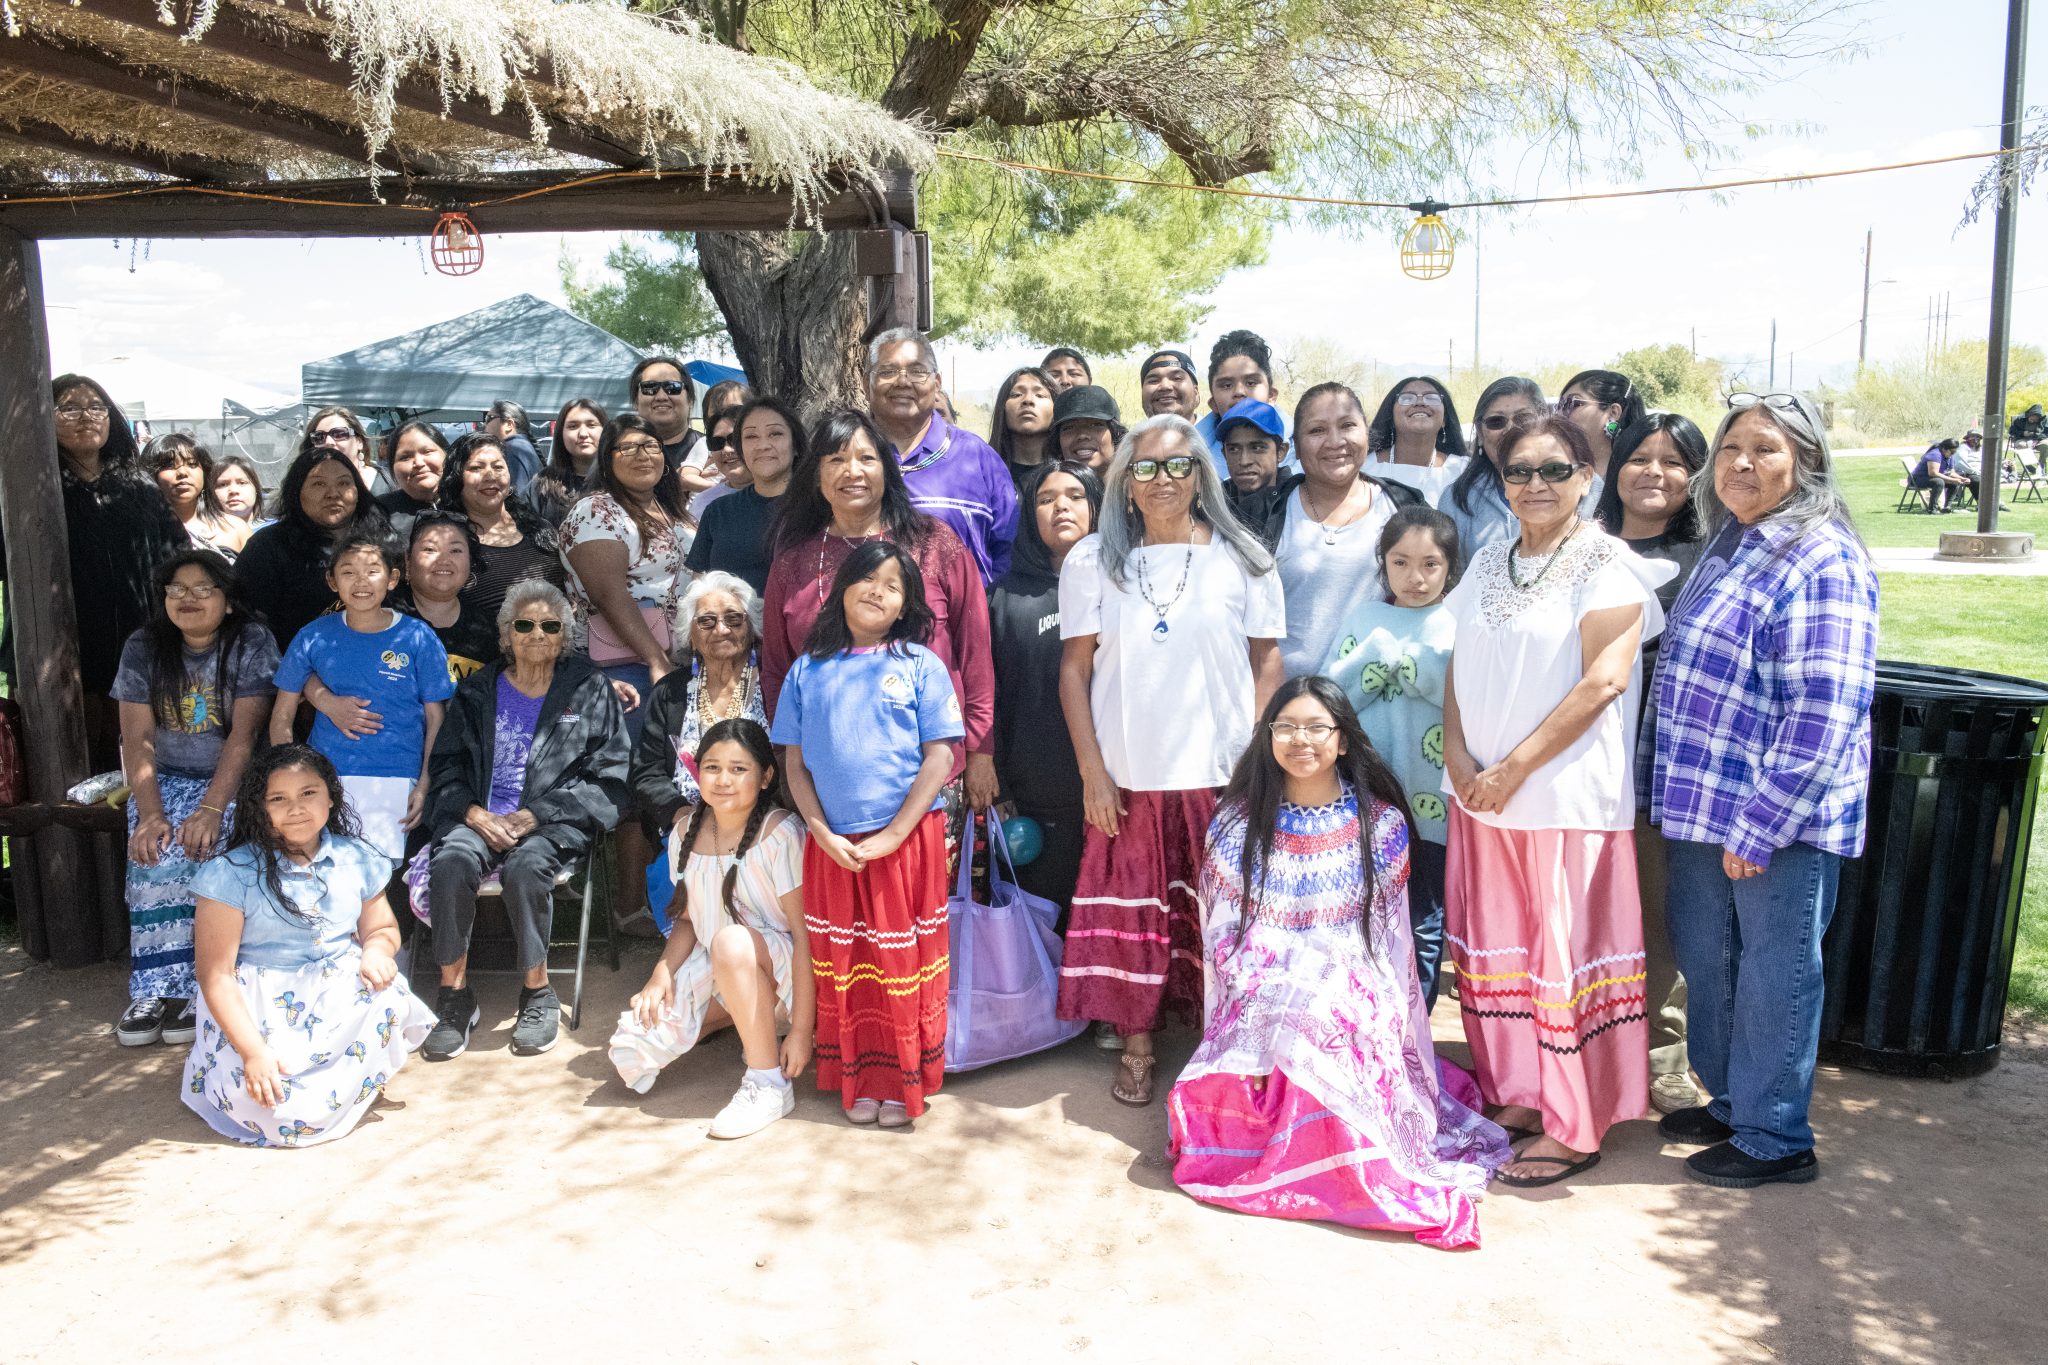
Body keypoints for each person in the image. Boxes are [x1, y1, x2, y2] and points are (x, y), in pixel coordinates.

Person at [1166, 678, 1512, 1247]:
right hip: (1260, 971)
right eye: (1287, 727)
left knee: (1320, 1010)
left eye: (1316, 728)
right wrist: (1271, 971)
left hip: (1352, 972)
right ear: (1268, 736)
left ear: (1344, 740)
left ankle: (1347, 1171)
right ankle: (1295, 1157)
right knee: (1285, 1007)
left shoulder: (1382, 825)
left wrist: (1319, 975)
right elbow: (1224, 927)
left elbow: (1382, 934)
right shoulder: (1234, 824)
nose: (1301, 740)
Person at [1646, 391, 1878, 1189]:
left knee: (1777, 966)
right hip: (1704, 806)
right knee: (1711, 960)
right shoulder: (1731, 543)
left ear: (1805, 462)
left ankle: (1777, 1134)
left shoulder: (1824, 554)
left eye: (1766, 449)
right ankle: (1733, 1099)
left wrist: (1765, 821)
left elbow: (1827, 705)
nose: (1743, 463)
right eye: (1732, 447)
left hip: (1777, 817)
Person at [1440, 413, 1669, 1189]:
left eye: (1553, 469)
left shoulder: (1609, 563)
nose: (1534, 484)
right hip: (1481, 795)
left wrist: (1512, 768)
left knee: (1560, 961)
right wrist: (1464, 758)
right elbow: (1457, 664)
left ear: (1585, 476)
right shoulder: (1488, 560)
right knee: (1499, 953)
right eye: (1518, 471)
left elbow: (1602, 681)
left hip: (1564, 796)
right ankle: (1523, 1095)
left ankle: (1577, 1121)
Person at [1055, 415, 1285, 1105]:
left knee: (1225, 913)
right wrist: (1094, 770)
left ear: (1201, 476)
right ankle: (1137, 1045)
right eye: (1145, 468)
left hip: (1220, 770)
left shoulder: (1246, 556)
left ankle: (1225, 1044)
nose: (1162, 480)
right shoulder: (1092, 560)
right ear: (1124, 482)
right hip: (1127, 773)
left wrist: (1256, 762)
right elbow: (1074, 671)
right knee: (1135, 917)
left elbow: (1267, 662)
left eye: (1177, 466)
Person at [772, 541, 963, 1127]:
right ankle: (858, 1083)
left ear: (906, 604)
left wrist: (896, 833)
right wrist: (819, 830)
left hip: (906, 842)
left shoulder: (919, 664)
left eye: (894, 585)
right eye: (867, 578)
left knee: (897, 964)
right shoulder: (809, 667)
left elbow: (940, 757)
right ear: (841, 587)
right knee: (847, 963)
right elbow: (794, 764)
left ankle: (901, 1086)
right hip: (833, 846)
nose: (878, 591)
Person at [761, 409, 996, 846]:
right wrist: (791, 766)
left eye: (867, 459)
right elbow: (776, 668)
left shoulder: (934, 543)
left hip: (933, 775)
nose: (853, 471)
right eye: (835, 460)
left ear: (887, 471)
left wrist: (982, 750)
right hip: (831, 784)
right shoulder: (792, 560)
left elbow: (975, 651)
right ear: (815, 476)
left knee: (923, 907)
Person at [182, 744, 435, 1148]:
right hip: (255, 1011)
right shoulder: (227, 875)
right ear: (258, 808)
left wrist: (376, 950)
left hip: (333, 998)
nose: (295, 808)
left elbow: (382, 927)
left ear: (331, 798)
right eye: (277, 799)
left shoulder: (358, 858)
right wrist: (253, 1054)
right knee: (272, 1112)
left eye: (308, 793)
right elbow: (215, 977)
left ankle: (354, 1082)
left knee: (389, 996)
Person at [422, 580, 630, 1060]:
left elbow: (610, 779)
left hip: (551, 822)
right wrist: (473, 813)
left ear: (565, 636)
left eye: (550, 626)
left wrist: (536, 814)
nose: (537, 634)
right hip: (479, 816)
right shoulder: (476, 690)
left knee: (525, 866)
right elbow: (447, 766)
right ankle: (455, 998)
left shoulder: (588, 689)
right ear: (506, 635)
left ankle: (538, 992)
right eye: (525, 625)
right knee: (451, 860)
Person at [610, 718, 814, 1139]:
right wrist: (660, 974)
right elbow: (687, 918)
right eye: (712, 767)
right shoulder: (684, 832)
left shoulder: (782, 834)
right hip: (723, 966)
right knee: (635, 1042)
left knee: (730, 941)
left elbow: (805, 937)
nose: (723, 780)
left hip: (785, 971)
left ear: (765, 777)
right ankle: (747, 1025)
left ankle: (767, 1081)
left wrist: (802, 1030)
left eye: (739, 769)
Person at [111, 551, 280, 1048]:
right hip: (162, 780)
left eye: (203, 588)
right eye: (176, 589)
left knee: (204, 848)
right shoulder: (142, 647)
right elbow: (136, 740)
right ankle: (152, 989)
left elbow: (244, 738)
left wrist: (209, 808)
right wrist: (151, 814)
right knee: (153, 848)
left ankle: (199, 988)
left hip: (234, 781)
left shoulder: (252, 641)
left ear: (227, 601)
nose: (188, 598)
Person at [1592, 411, 1709, 1114]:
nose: (1654, 473)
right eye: (1639, 457)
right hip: (1581, 749)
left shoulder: (1711, 554)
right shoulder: (1586, 545)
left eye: (1673, 460)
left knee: (1658, 903)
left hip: (1665, 753)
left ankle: (1665, 1055)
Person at [1321, 506, 1460, 1009]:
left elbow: (1465, 695)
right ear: (1383, 563)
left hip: (1433, 804)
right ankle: (1363, 1022)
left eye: (1430, 564)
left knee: (1424, 916)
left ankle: (1414, 1028)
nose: (1415, 577)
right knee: (1361, 910)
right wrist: (1376, 655)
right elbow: (1331, 695)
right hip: (1367, 797)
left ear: (1450, 567)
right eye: (1400, 563)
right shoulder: (1365, 618)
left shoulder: (1459, 622)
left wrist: (1411, 663)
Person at [270, 533, 452, 862]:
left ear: (393, 578)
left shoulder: (417, 636)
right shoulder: (313, 635)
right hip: (325, 779)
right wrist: (291, 780)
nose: (361, 582)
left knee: (379, 884)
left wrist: (426, 782)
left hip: (397, 780)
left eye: (372, 570)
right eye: (348, 572)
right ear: (332, 580)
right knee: (321, 875)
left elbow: (436, 718)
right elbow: (282, 715)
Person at [47, 374, 191, 769]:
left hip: (137, 644)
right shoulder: (35, 488)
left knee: (135, 760)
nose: (86, 417)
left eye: (96, 407)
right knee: (71, 760)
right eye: (70, 408)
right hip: (61, 648)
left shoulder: (139, 486)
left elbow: (177, 556)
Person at [989, 462, 1102, 919]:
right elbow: (990, 694)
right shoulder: (1005, 596)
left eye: (1075, 495)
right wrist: (996, 779)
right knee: (1043, 927)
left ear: (1097, 505)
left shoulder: (1126, 583)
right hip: (1038, 794)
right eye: (1045, 498)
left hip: (1120, 787)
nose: (1061, 507)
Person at [1266, 383, 1425, 678]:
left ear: (1367, 433)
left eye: (1347, 425)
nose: (1335, 441)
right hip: (1290, 707)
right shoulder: (1266, 513)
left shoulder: (1404, 508)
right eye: (1317, 431)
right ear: (1296, 447)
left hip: (1377, 700)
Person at [558, 412, 691, 725]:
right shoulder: (596, 510)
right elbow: (608, 593)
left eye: (650, 446)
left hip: (681, 660)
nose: (642, 456)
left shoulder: (670, 506)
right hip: (630, 665)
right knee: (633, 763)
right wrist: (655, 660)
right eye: (628, 448)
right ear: (607, 460)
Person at [865, 326, 1019, 585]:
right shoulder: (844, 459)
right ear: (866, 383)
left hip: (961, 621)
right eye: (888, 371)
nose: (903, 382)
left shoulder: (979, 459)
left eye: (917, 371)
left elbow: (1008, 553)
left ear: (936, 384)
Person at [630, 571, 768, 825]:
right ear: (691, 635)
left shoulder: (774, 685)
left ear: (751, 628)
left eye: (734, 619)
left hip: (763, 825)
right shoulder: (669, 692)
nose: (721, 629)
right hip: (687, 827)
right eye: (706, 621)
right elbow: (648, 772)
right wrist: (682, 815)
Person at [234, 445, 390, 651]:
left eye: (344, 483)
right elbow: (247, 620)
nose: (333, 493)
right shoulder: (269, 546)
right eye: (319, 484)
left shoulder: (383, 537)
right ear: (297, 491)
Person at [438, 431, 563, 623]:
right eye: (476, 468)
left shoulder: (539, 528)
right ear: (456, 478)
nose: (490, 475)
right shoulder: (446, 540)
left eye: (498, 467)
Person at [687, 397, 802, 595]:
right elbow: (699, 583)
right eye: (751, 437)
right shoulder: (718, 511)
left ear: (796, 444)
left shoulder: (820, 507)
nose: (763, 445)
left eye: (775, 433)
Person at [1445, 376, 1546, 563]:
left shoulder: (1577, 484)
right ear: (1480, 434)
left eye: (1523, 418)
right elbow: (1450, 578)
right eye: (1496, 422)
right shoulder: (1456, 499)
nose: (1510, 429)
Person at [393, 512, 498, 683]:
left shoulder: (491, 629)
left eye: (455, 550)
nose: (444, 560)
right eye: (430, 549)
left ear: (470, 561)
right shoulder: (381, 615)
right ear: (407, 560)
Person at [1365, 376, 1471, 506]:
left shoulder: (1464, 471)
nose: (1420, 402)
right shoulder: (1365, 468)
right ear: (1391, 417)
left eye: (1431, 398)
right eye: (1407, 398)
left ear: (1444, 420)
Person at [147, 433, 251, 560]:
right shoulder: (145, 534)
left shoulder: (236, 528)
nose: (182, 473)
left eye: (192, 464)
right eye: (170, 465)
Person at [630, 356, 720, 502]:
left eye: (672, 387)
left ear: (690, 399)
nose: (661, 396)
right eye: (650, 388)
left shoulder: (714, 448)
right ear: (635, 400)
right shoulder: (619, 453)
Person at [1195, 330, 1287, 462]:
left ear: (1271, 395)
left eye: (1251, 383)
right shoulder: (1189, 453)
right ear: (1213, 403)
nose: (1239, 392)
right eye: (1226, 385)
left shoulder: (1302, 447)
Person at [1555, 369, 1647, 485]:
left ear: (1613, 412)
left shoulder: (1641, 474)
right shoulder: (1554, 468)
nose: (1560, 413)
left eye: (1573, 403)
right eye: (1560, 405)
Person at [526, 398, 608, 527]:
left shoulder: (620, 481)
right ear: (561, 433)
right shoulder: (542, 483)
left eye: (591, 425)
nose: (583, 434)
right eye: (573, 426)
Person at [1214, 398, 1289, 537]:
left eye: (1257, 448)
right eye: (1234, 449)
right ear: (1224, 454)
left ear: (1281, 452)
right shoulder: (1212, 506)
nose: (1244, 461)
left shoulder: (1297, 503)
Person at [375, 420, 450, 539]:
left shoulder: (470, 503)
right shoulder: (378, 512)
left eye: (427, 452)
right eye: (405, 457)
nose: (419, 463)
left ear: (447, 454)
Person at [300, 405, 394, 498]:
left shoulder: (391, 482)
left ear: (359, 441)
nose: (328, 442)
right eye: (319, 437)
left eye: (339, 434)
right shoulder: (304, 487)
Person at [990, 366, 1057, 489]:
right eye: (1017, 394)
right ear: (1002, 408)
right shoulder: (985, 471)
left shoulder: (1070, 473)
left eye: (1040, 395)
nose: (1028, 400)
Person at [1048, 384, 1124, 473]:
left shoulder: (1136, 483)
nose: (1082, 435)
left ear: (1116, 435)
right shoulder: (1045, 485)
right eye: (1070, 427)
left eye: (1095, 425)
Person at [483, 400, 542, 491]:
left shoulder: (512, 449)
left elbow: (518, 495)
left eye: (489, 418)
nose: (484, 424)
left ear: (509, 424)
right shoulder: (523, 446)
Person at [1912, 437, 1972, 513]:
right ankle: (1932, 509)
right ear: (1944, 449)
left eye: (1954, 452)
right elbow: (1933, 473)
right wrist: (1952, 480)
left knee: (1954, 483)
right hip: (1918, 479)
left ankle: (1947, 507)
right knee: (1939, 482)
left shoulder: (1950, 457)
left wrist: (1961, 479)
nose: (1953, 454)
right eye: (1952, 452)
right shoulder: (1935, 454)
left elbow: (1951, 473)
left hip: (1931, 478)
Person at [1139, 348, 1202, 419]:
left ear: (1196, 393)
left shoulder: (1216, 429)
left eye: (1177, 378)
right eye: (1154, 381)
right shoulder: (1135, 430)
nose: (1165, 386)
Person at [210, 453, 265, 523]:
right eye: (223, 484)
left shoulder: (277, 531)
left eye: (242, 483)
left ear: (256, 489)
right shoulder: (201, 532)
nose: (233, 490)